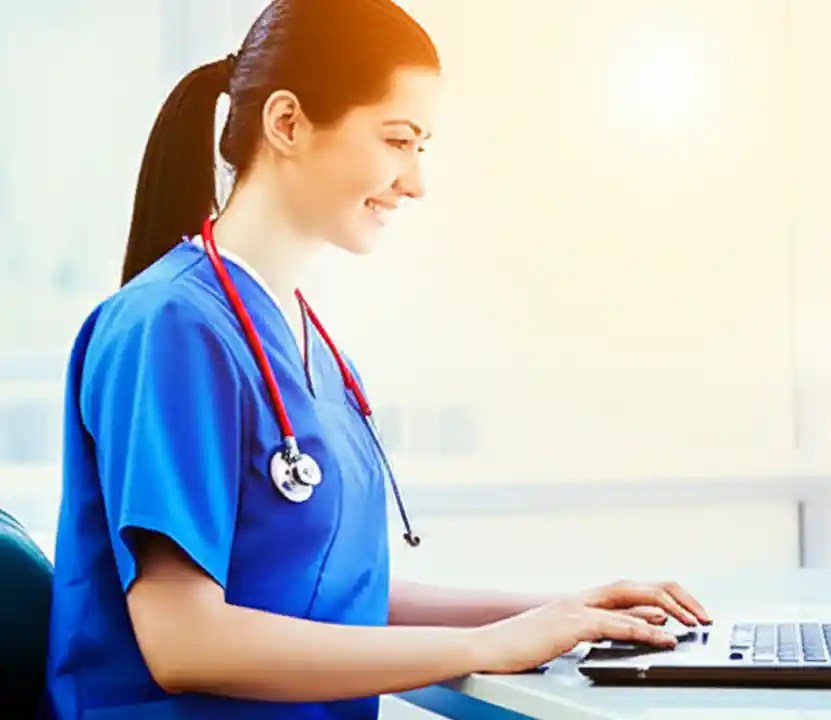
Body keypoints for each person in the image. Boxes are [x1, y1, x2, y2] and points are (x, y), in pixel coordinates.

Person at [43, 1, 710, 717]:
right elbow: (185, 642)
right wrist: (487, 647)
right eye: (398, 140)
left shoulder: (313, 346)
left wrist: (562, 612)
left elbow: (333, 595)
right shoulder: (169, 327)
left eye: (422, 149)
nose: (416, 181)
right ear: (288, 122)